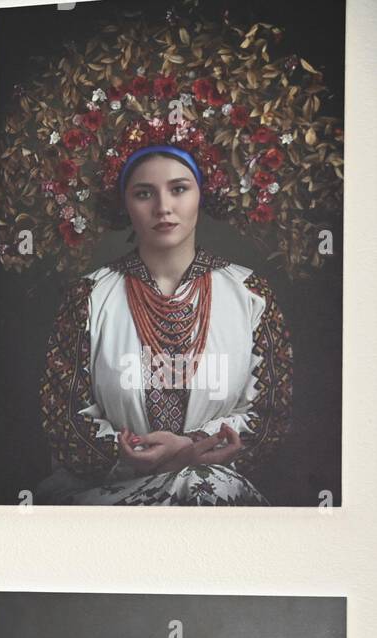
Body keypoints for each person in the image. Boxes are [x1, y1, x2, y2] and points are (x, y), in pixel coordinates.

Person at [36, 146, 293, 504]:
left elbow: (269, 416)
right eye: (144, 193)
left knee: (205, 489)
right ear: (125, 203)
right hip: (107, 493)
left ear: (202, 194)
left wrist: (192, 449)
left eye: (179, 189)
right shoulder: (89, 296)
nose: (163, 207)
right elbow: (65, 420)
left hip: (213, 490)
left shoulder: (250, 294)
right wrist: (130, 457)